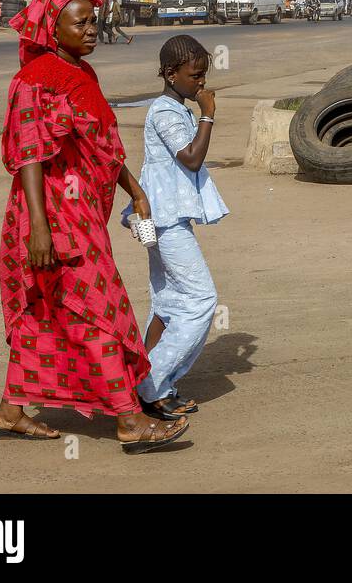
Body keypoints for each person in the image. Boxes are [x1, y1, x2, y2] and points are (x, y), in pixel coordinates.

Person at [0, 0, 189, 454]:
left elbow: (102, 146)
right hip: (52, 217)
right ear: (52, 27)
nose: (91, 29)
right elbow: (29, 156)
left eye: (92, 20)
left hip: (81, 213)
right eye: (79, 22)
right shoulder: (35, 79)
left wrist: (136, 191)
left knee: (45, 310)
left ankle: (10, 412)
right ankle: (128, 420)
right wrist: (39, 228)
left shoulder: (82, 73)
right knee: (97, 310)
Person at [123, 34, 227, 419]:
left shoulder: (173, 107)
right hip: (166, 222)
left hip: (167, 217)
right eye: (194, 75)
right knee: (202, 300)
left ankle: (146, 378)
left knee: (168, 302)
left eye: (203, 76)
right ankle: (151, 386)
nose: (201, 83)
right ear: (170, 74)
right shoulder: (166, 111)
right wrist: (208, 113)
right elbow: (192, 159)